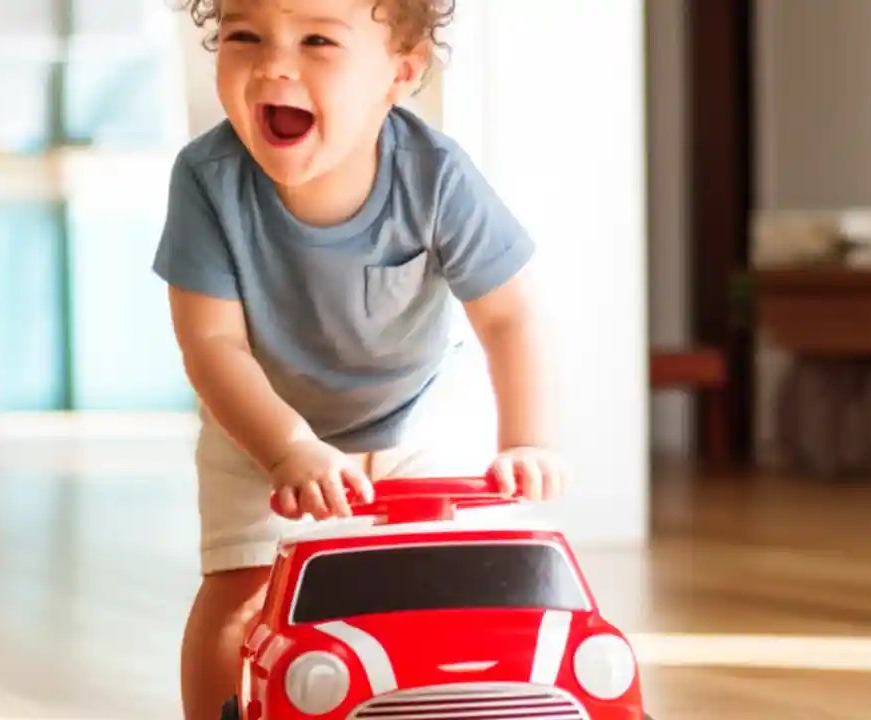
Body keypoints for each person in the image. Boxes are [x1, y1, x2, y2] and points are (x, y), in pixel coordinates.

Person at [154, 0, 567, 717]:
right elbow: (210, 344)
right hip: (259, 423)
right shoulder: (207, 179)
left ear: (400, 74)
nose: (273, 63)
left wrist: (527, 439)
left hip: (416, 421)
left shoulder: (435, 176)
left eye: (317, 40)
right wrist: (287, 448)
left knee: (441, 592)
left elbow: (509, 315)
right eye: (243, 36)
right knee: (242, 596)